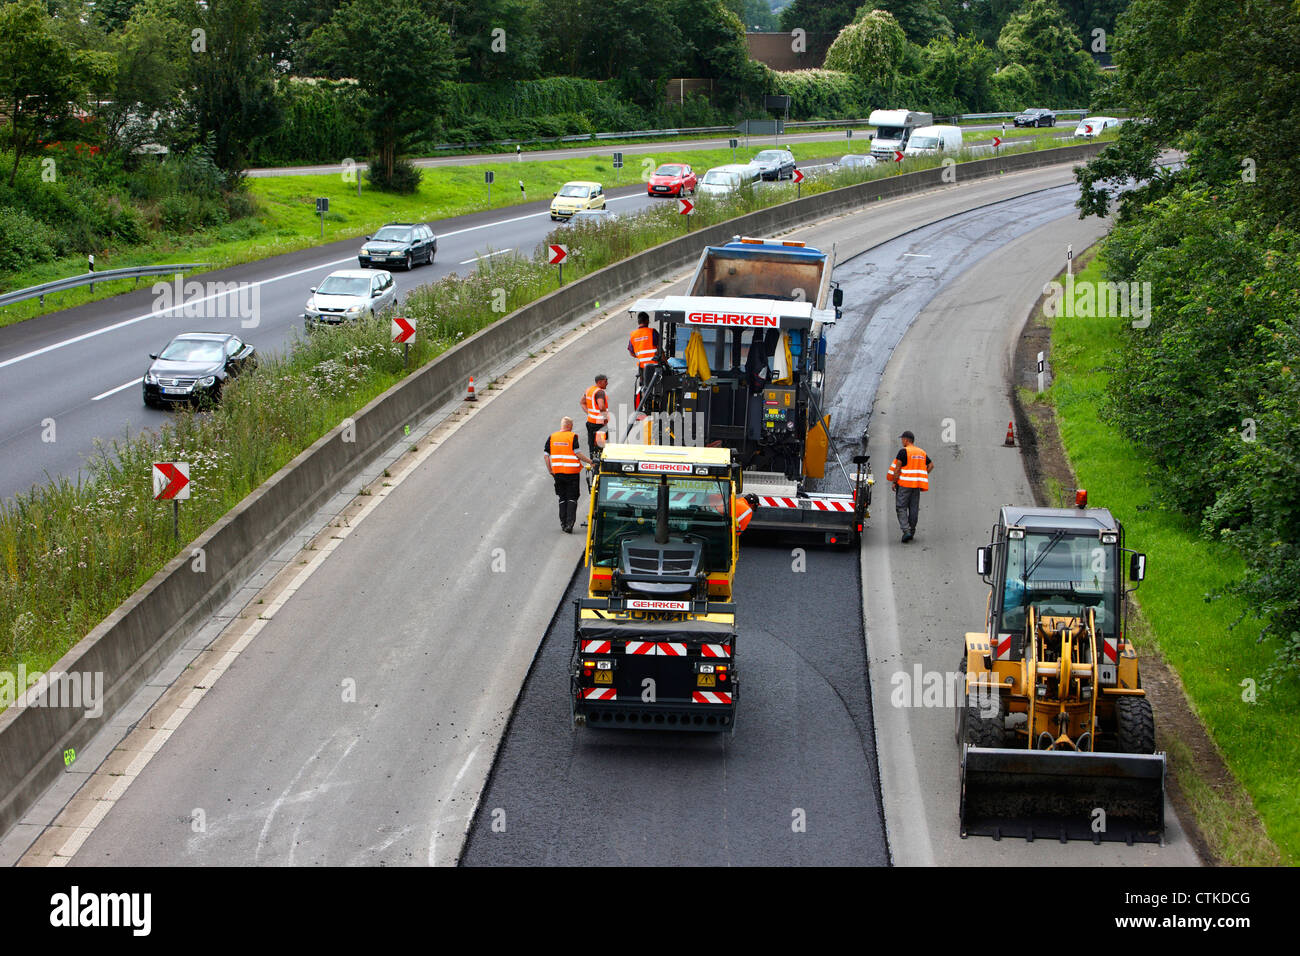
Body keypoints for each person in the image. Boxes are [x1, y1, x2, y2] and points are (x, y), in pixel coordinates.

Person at [543, 417, 593, 533]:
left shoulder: (552, 437)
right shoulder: (572, 436)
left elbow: (546, 455)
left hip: (558, 473)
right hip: (571, 474)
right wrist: (590, 462)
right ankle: (569, 524)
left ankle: (563, 522)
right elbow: (578, 454)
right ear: (570, 426)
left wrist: (550, 470)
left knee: (562, 497)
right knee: (572, 497)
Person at [885, 430, 933, 543]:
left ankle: (906, 531)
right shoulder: (921, 452)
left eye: (902, 439)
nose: (902, 441)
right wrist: (922, 474)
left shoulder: (903, 452)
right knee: (913, 508)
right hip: (916, 486)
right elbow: (931, 465)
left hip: (904, 485)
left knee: (901, 507)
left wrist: (894, 482)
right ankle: (912, 530)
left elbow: (897, 469)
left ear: (906, 440)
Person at [628, 314, 660, 409]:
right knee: (658, 384)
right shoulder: (652, 332)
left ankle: (646, 405)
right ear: (647, 321)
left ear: (639, 322)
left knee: (644, 386)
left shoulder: (633, 335)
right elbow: (659, 349)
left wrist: (641, 357)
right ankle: (657, 404)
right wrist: (666, 362)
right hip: (655, 365)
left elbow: (631, 352)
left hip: (642, 367)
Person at [580, 374, 610, 454]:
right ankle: (600, 462)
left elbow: (582, 402)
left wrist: (589, 413)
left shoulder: (589, 390)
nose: (607, 383)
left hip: (590, 422)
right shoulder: (600, 392)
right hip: (599, 423)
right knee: (601, 445)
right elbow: (601, 406)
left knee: (591, 443)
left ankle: (592, 461)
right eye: (605, 381)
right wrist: (605, 418)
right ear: (599, 382)